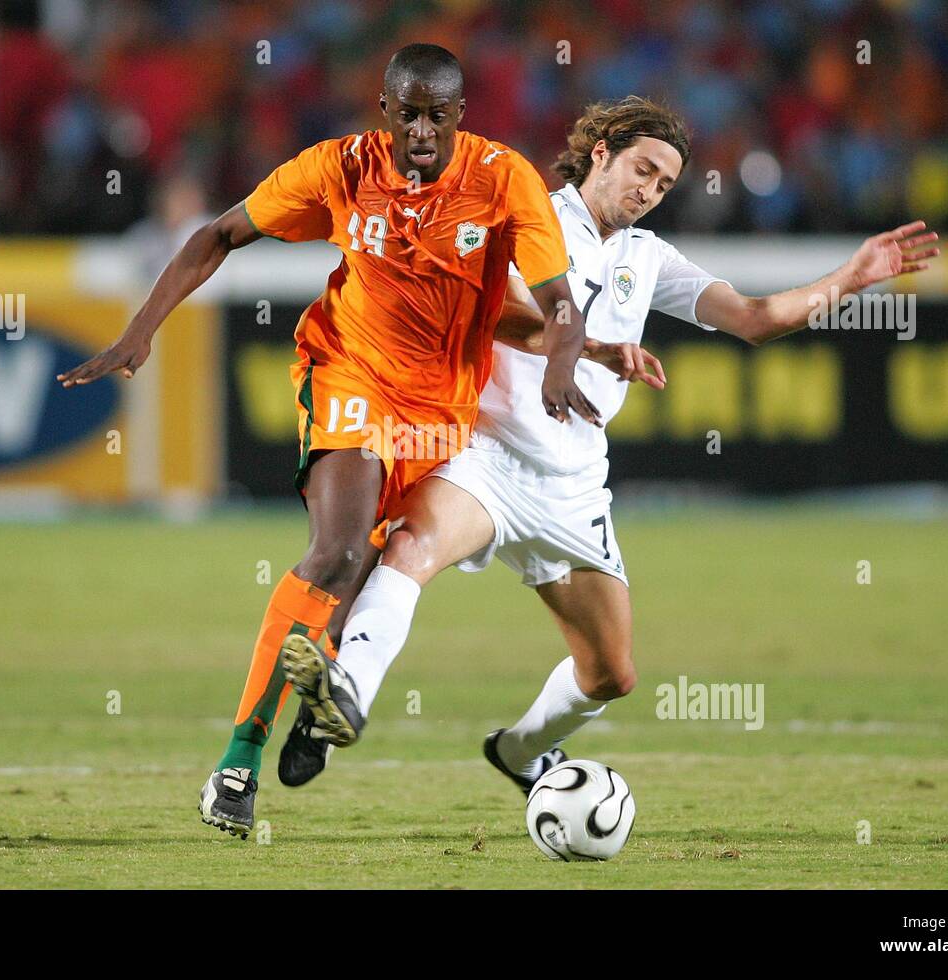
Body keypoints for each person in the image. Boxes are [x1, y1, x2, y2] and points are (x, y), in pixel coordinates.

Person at [278, 94, 940, 792]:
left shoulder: (648, 257)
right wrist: (588, 347)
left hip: (573, 488)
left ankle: (519, 751)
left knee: (611, 673)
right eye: (642, 170)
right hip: (488, 454)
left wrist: (851, 277)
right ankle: (344, 693)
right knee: (410, 548)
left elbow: (754, 318)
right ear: (601, 153)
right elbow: (482, 309)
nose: (649, 192)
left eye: (663, 184)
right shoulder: (523, 212)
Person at [57, 44, 614, 838]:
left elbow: (557, 302)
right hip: (350, 373)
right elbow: (218, 234)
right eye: (408, 113)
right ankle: (236, 765)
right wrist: (141, 331)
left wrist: (568, 358)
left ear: (461, 115)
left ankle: (319, 713)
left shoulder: (503, 180)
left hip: (440, 413)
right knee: (339, 550)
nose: (422, 130)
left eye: (438, 115)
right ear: (384, 111)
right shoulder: (337, 171)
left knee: (361, 575)